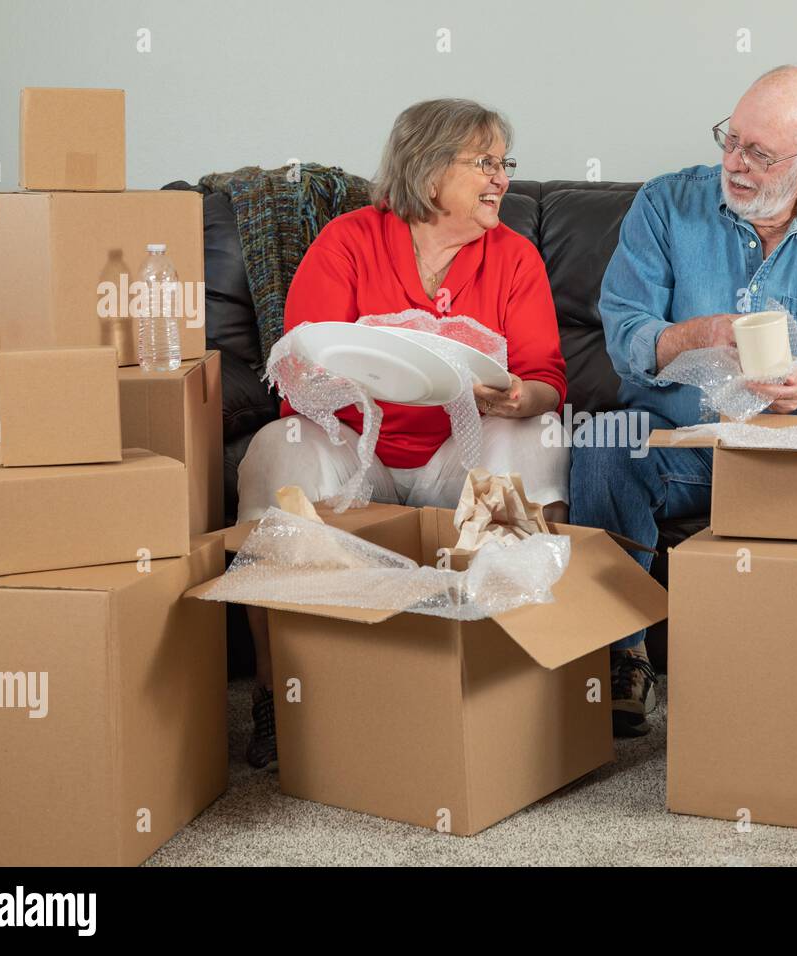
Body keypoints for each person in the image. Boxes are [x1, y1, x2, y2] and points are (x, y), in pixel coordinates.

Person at [570, 66, 797, 737]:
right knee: (603, 441)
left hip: (794, 451)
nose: (734, 163)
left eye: (759, 153)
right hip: (682, 445)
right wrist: (701, 334)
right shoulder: (666, 205)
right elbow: (624, 337)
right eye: (730, 140)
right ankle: (622, 657)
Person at [236, 98, 568, 768]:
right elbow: (303, 365)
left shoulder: (515, 257)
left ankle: (513, 666)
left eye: (505, 164)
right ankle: (282, 692)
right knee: (279, 448)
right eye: (485, 163)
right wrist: (374, 370)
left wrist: (517, 396)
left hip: (459, 454)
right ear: (427, 171)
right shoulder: (350, 241)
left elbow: (547, 378)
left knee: (542, 433)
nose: (501, 179)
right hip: (359, 451)